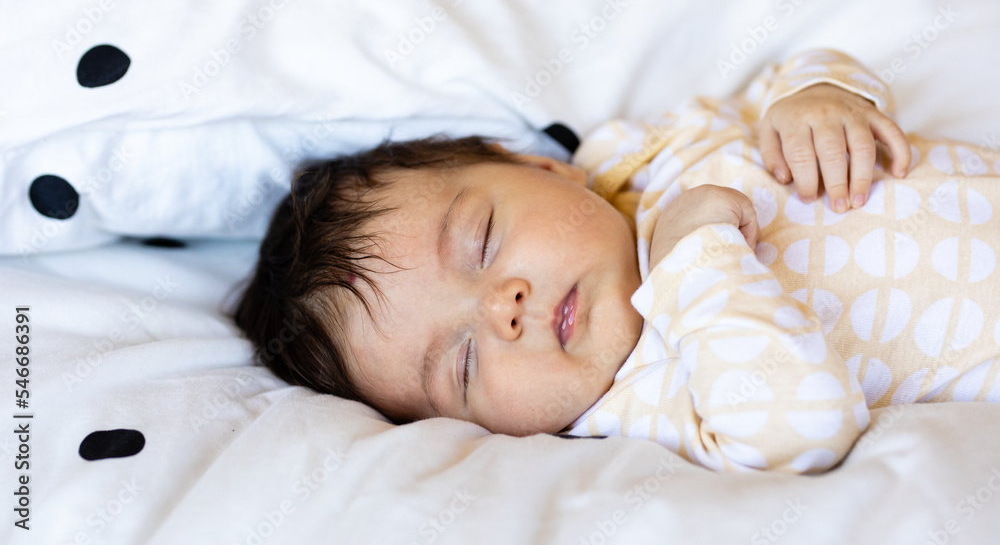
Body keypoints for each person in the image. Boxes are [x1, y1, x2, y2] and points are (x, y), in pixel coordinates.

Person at [230, 49, 1000, 474]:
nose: (505, 308)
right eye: (462, 363)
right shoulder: (642, 400)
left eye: (482, 242)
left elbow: (792, 76)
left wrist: (821, 98)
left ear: (543, 168)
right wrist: (693, 261)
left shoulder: (650, 155)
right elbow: (805, 429)